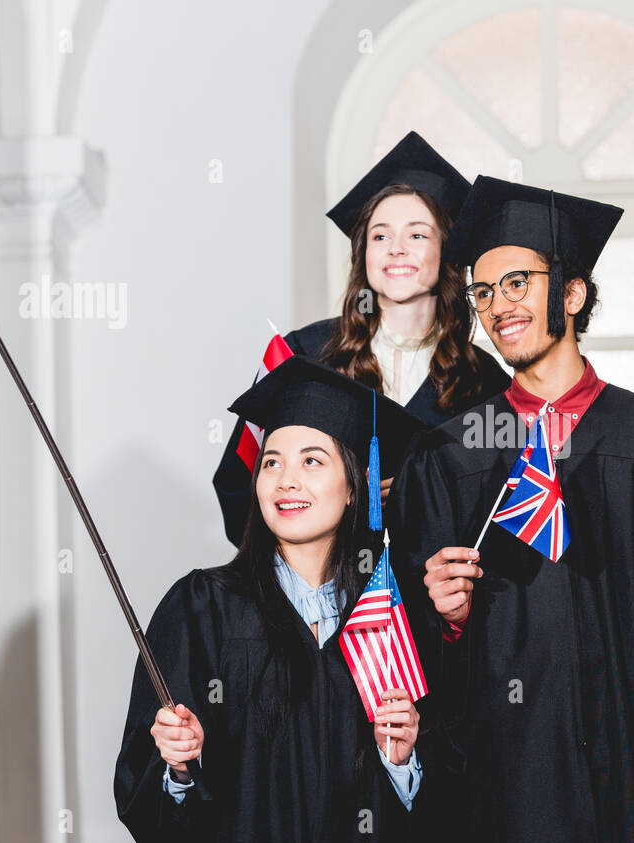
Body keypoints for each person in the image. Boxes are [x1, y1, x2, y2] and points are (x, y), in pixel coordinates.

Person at [389, 176, 634, 843]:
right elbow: (415, 657)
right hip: (505, 785)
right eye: (483, 292)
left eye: (517, 283)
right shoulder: (451, 456)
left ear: (571, 293)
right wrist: (444, 617)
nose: (498, 306)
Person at [115, 356, 429, 843]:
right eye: (272, 462)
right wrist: (178, 765)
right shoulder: (203, 610)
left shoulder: (393, 618)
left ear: (356, 487)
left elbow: (452, 807)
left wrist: (401, 765)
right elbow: (152, 800)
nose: (286, 480)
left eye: (311, 461)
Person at [213, 131, 511, 546]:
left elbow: (501, 508)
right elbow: (240, 483)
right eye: (381, 235)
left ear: (447, 251)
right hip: (327, 596)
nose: (396, 249)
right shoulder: (305, 355)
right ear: (363, 253)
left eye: (418, 235)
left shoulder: (486, 380)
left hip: (436, 602)